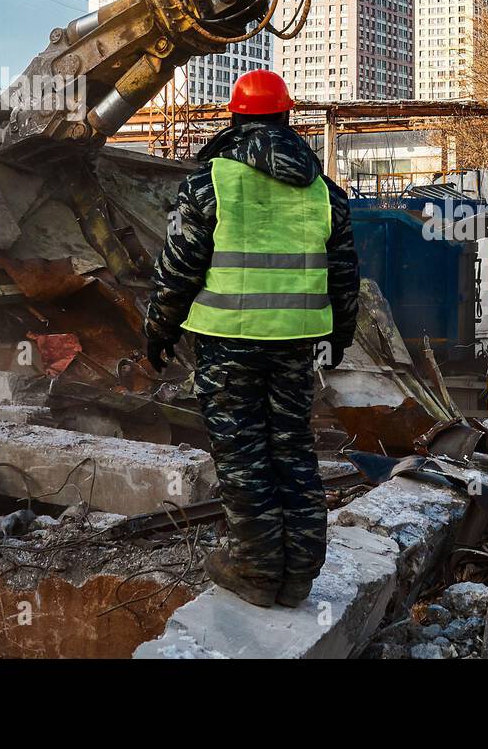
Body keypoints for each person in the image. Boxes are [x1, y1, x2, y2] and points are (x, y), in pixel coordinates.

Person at [144, 69, 359, 607]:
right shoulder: (323, 190)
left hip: (226, 342)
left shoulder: (210, 181)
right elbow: (345, 276)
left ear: (236, 119)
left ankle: (258, 571)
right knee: (291, 448)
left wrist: (159, 328)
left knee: (242, 452)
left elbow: (179, 267)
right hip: (296, 344)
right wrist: (340, 337)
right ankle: (299, 573)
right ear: (286, 118)